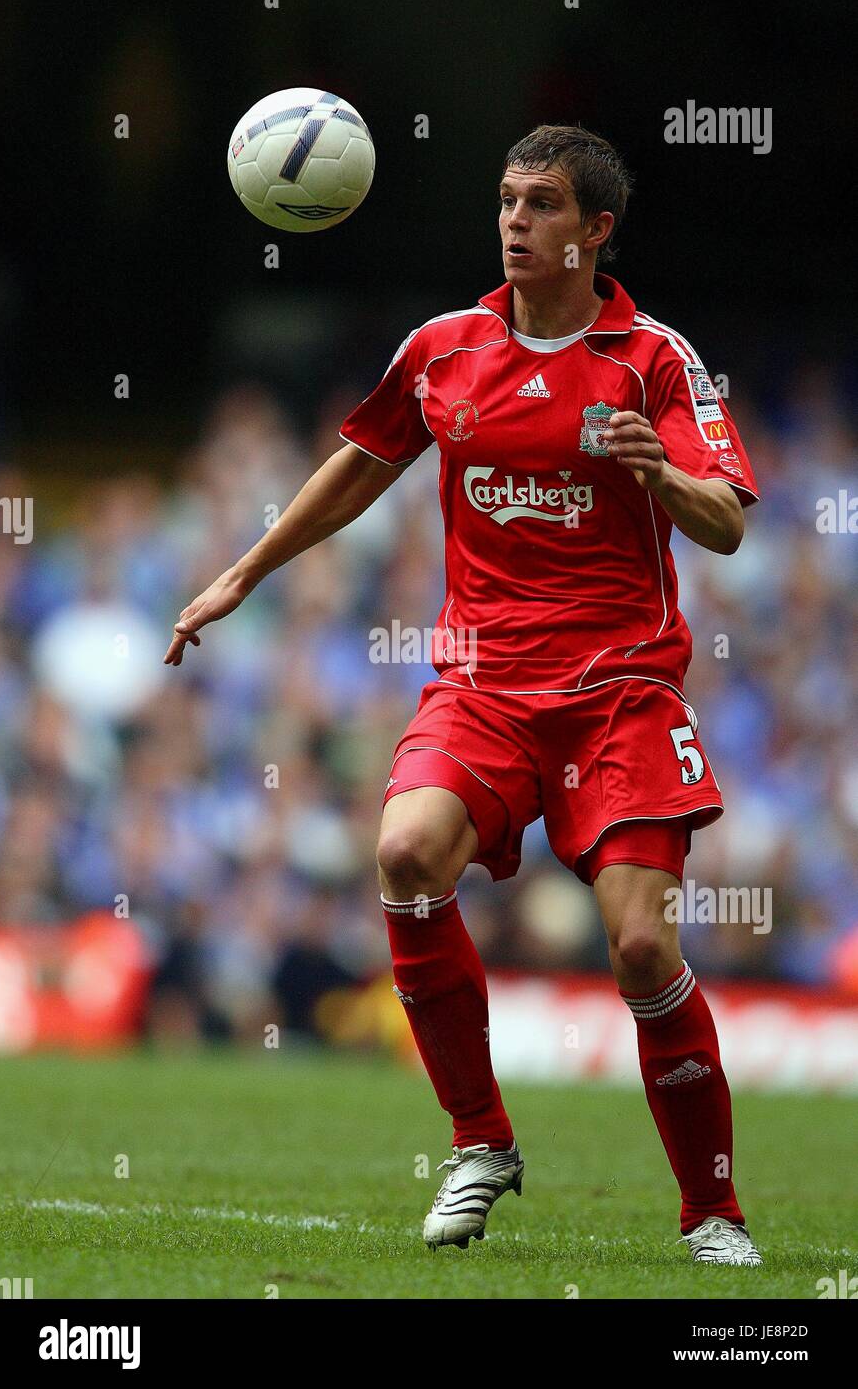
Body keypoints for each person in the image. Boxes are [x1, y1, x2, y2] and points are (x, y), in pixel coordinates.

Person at [165, 125, 762, 1266]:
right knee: (402, 853)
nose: (514, 222)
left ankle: (711, 1212)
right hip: (482, 687)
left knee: (641, 948)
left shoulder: (650, 359)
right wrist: (243, 573)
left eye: (541, 204)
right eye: (504, 200)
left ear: (596, 229)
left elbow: (726, 522)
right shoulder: (444, 349)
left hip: (619, 691)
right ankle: (480, 1141)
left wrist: (658, 467)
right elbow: (362, 461)